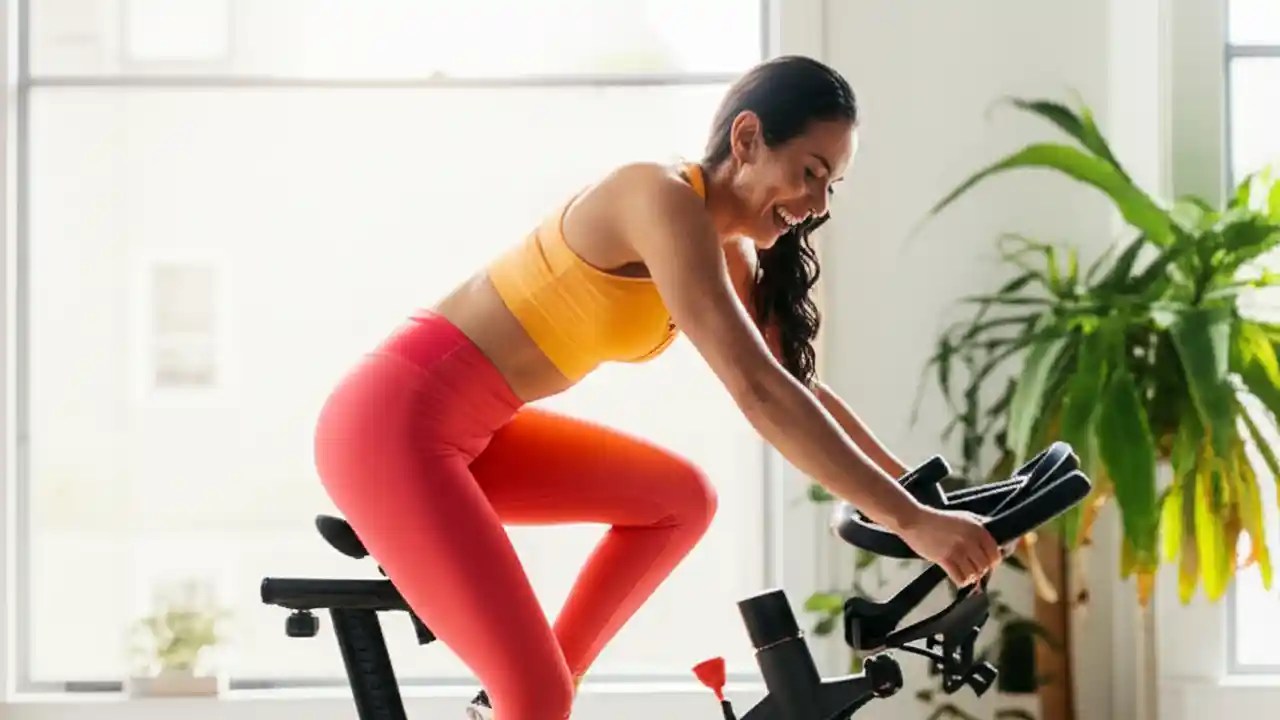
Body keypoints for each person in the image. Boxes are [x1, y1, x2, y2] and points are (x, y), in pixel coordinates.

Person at [311, 54, 1002, 720]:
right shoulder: (655, 197)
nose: (819, 203)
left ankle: (523, 698)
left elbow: (799, 390)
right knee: (538, 699)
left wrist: (916, 498)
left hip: (476, 432)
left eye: (832, 185)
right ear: (748, 139)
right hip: (391, 422)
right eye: (811, 172)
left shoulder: (725, 250)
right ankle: (531, 698)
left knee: (680, 500)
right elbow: (758, 392)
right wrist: (910, 522)